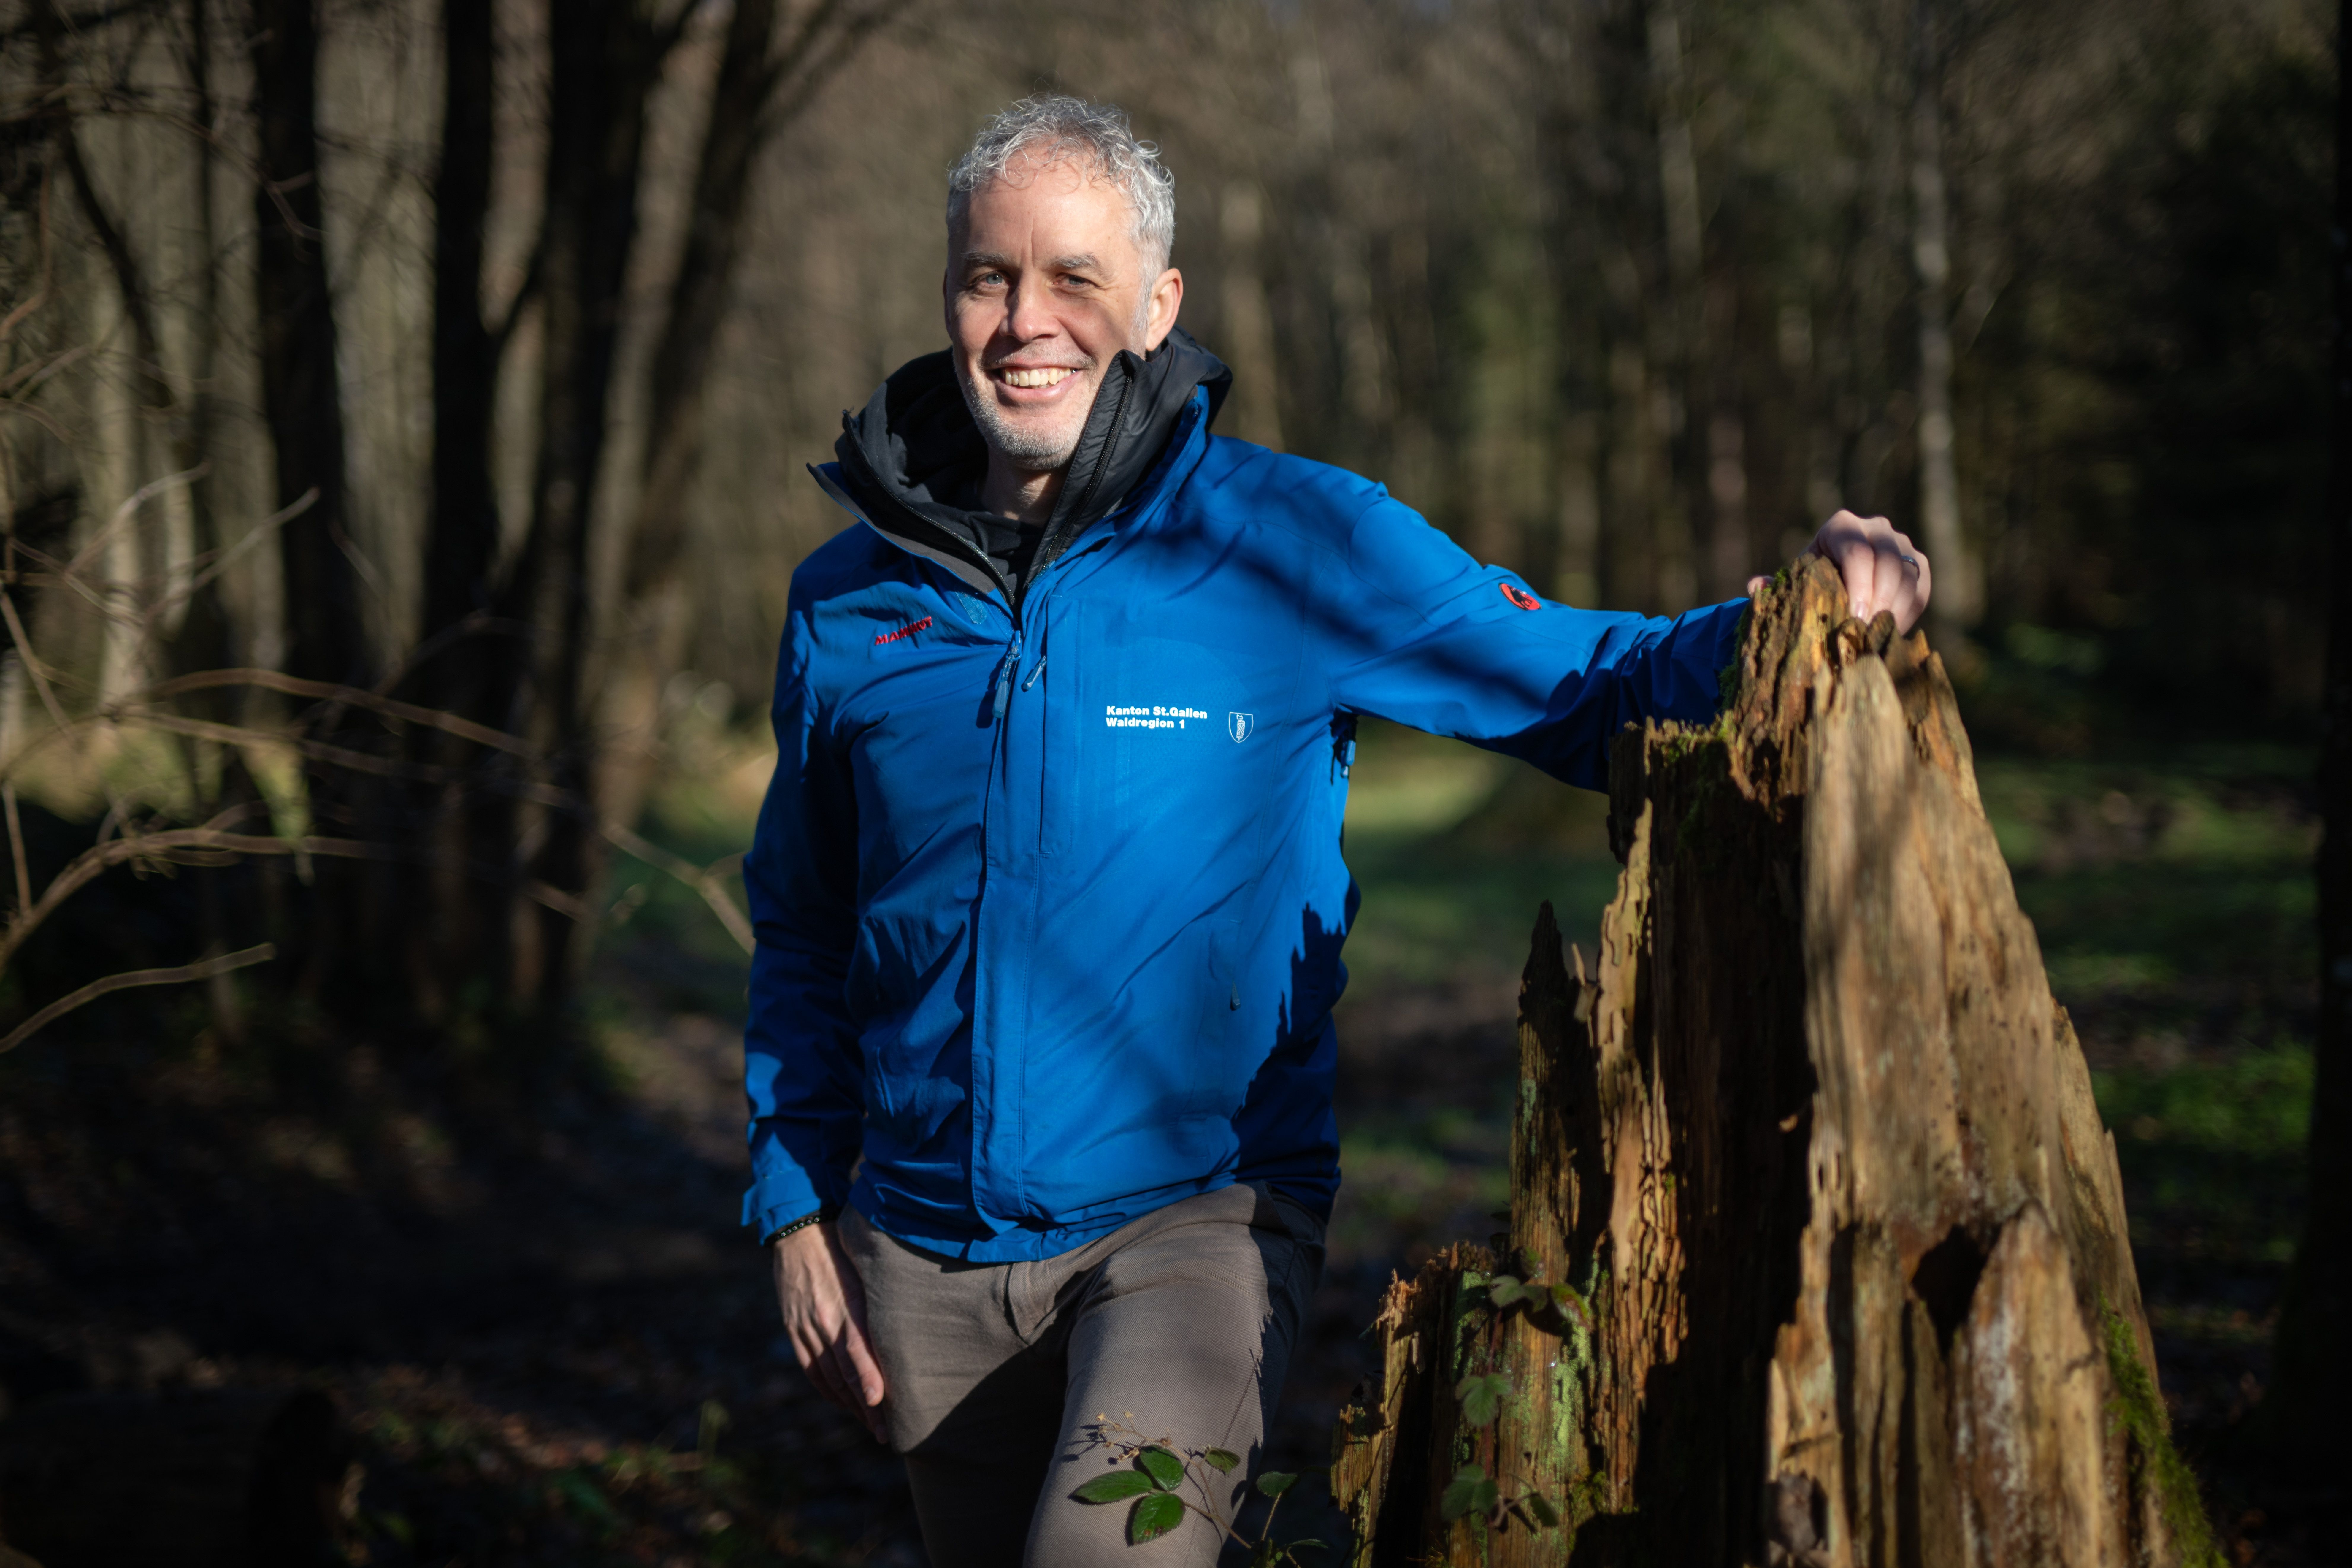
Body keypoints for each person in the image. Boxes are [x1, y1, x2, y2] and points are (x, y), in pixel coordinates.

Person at [742, 95, 1931, 1568]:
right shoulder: (845, 602)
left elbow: (1581, 682)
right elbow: (799, 916)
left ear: (1158, 303)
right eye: (989, 277)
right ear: (947, 294)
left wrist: (1800, 614)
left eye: (1074, 279)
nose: (1023, 322)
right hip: (917, 1256)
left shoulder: (1290, 544)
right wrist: (800, 1196)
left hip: (1186, 1229)